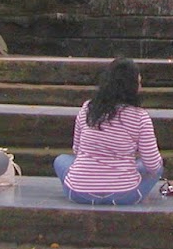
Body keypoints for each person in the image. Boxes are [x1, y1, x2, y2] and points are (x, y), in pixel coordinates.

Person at [53, 58, 164, 205]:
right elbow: (153, 164)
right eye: (139, 83)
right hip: (125, 195)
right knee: (157, 167)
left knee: (61, 160)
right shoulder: (140, 117)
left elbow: (77, 150)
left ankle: (84, 181)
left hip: (79, 192)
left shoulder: (88, 108)